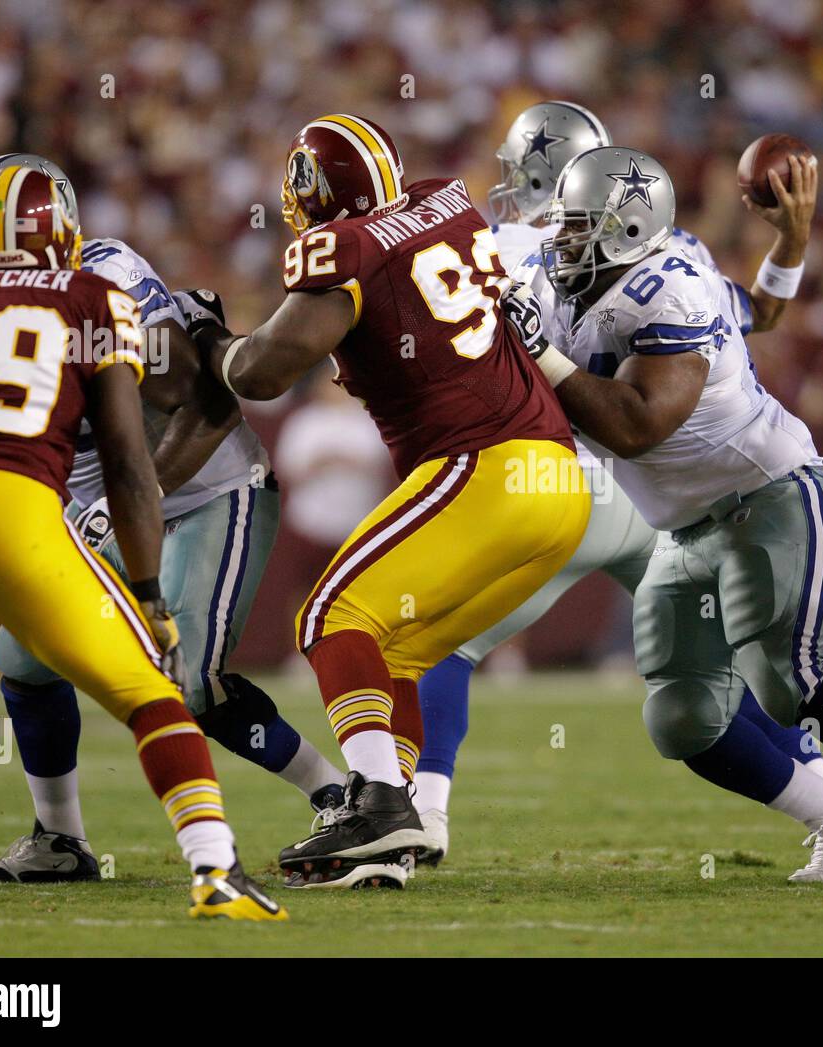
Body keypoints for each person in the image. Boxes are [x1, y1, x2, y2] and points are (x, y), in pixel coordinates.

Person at [510, 145, 823, 885]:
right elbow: (762, 310)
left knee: (786, 682)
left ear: (628, 232)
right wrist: (791, 243)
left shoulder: (667, 292)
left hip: (766, 491)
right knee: (682, 718)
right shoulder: (569, 277)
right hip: (683, 526)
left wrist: (538, 352)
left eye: (580, 228)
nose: (562, 241)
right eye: (564, 226)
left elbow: (640, 424)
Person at [415, 101, 823, 868]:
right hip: (653, 501)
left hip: (561, 478)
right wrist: (794, 237)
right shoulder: (668, 246)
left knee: (441, 637)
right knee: (734, 661)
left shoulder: (495, 248)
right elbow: (763, 314)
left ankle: (423, 818)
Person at [184, 113, 590, 889]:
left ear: (313, 189)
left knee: (328, 618)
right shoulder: (447, 202)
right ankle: (388, 832)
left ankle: (376, 803)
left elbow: (266, 370)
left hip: (485, 468)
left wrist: (210, 343)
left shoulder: (348, 247)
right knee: (391, 651)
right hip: (557, 484)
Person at [0, 154, 348, 884]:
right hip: (94, 508)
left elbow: (209, 401)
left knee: (189, 682)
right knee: (22, 662)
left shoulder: (110, 285)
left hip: (205, 490)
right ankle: (60, 838)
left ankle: (337, 794)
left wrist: (127, 501)